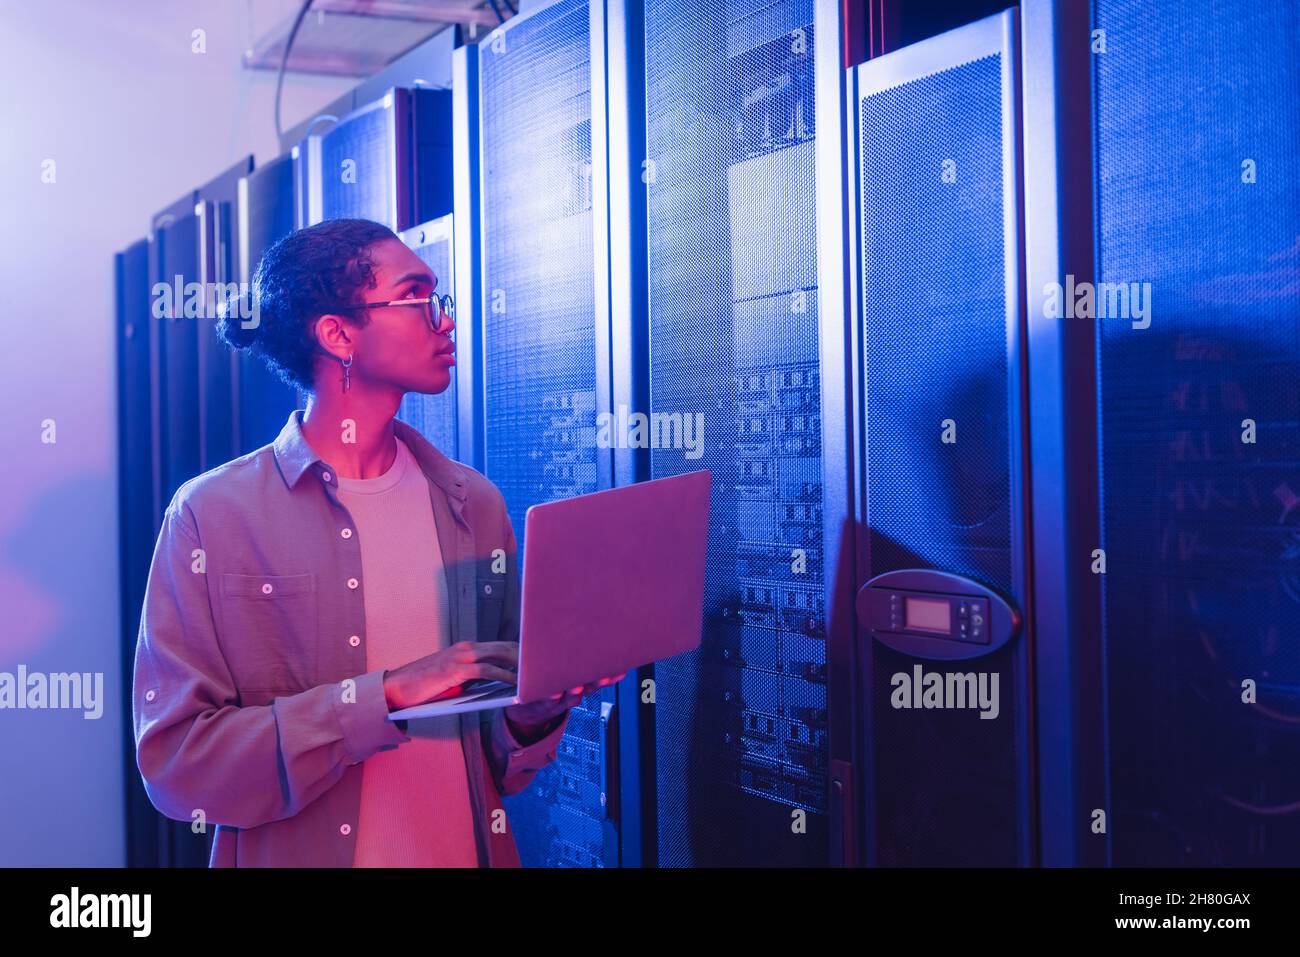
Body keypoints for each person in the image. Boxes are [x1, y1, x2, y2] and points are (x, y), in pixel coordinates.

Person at [133, 217, 622, 866]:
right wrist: (385, 694)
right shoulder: (210, 516)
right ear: (337, 333)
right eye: (418, 297)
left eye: (438, 299)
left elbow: (498, 763)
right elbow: (177, 767)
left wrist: (534, 708)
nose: (444, 321)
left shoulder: (473, 503)